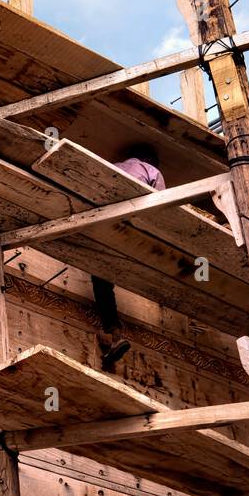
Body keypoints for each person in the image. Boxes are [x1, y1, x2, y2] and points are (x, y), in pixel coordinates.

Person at [92, 143, 166, 371]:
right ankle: (115, 335)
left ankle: (115, 333)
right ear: (151, 161)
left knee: (101, 278)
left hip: (103, 228)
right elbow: (161, 204)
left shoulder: (112, 166)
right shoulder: (151, 171)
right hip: (131, 231)